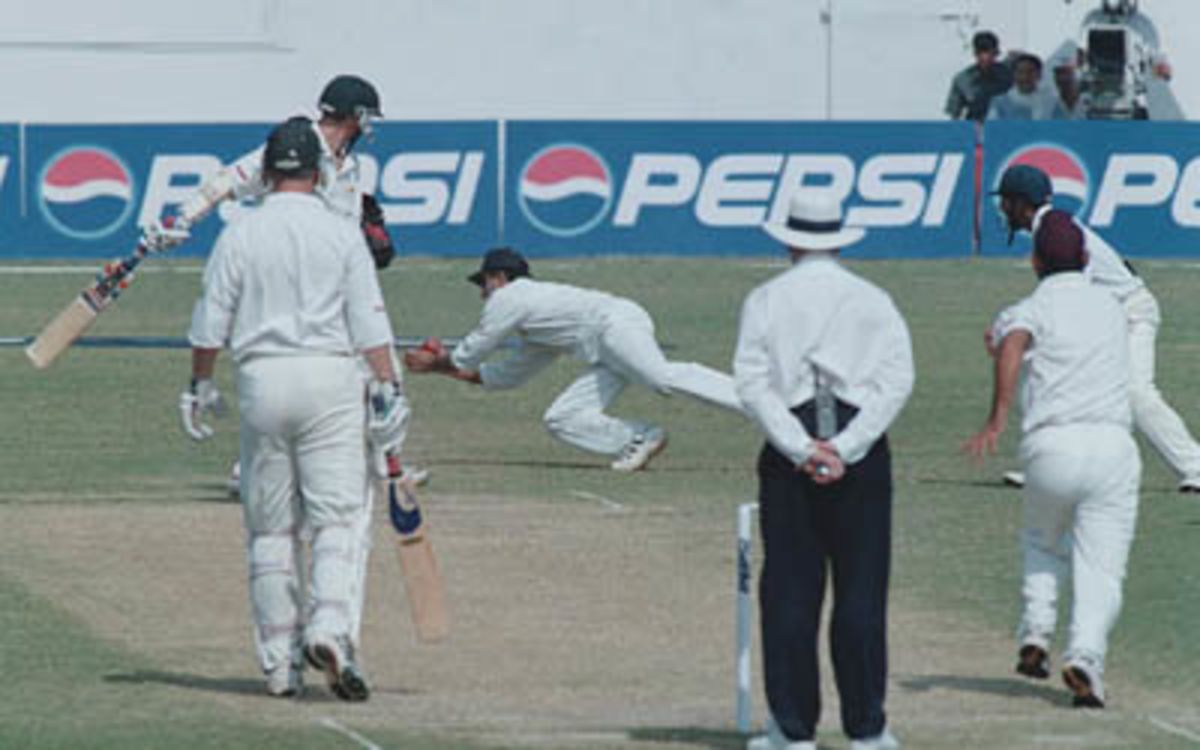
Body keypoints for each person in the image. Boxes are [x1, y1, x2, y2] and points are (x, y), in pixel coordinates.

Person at [181, 118, 410, 700]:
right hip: (331, 380)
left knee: (269, 529)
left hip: (262, 380)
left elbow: (211, 325)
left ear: (266, 172)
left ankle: (279, 663)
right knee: (335, 519)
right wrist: (388, 389)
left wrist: (199, 386)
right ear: (317, 170)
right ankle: (331, 627)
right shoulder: (341, 233)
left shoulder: (240, 234)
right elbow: (370, 324)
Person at [736, 194, 913, 750]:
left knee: (790, 591)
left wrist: (800, 447)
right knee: (861, 592)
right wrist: (848, 445)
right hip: (859, 452)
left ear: (790, 238)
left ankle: (792, 729)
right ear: (837, 239)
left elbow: (752, 383)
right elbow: (896, 381)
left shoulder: (766, 298)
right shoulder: (873, 299)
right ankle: (868, 728)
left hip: (794, 450)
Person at [966, 210, 1140, 708]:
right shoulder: (1110, 303)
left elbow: (1006, 342)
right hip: (1111, 447)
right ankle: (1085, 657)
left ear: (1035, 259)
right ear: (1085, 257)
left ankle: (1037, 633)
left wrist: (998, 415)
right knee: (1101, 568)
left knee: (1043, 543)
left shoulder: (1028, 307)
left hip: (1051, 448)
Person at [402, 247, 744, 472]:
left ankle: (755, 399)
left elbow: (471, 352)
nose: (482, 292)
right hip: (604, 349)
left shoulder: (510, 296)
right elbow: (503, 376)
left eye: (485, 283)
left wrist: (437, 359)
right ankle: (638, 437)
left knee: (660, 378)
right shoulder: (538, 328)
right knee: (562, 418)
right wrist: (442, 369)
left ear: (501, 278)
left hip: (616, 325)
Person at [993, 164, 1200, 493]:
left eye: (1005, 200)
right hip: (1109, 314)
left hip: (1132, 313)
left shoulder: (1053, 230)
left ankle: (1195, 465)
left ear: (1021, 202)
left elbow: (1073, 289)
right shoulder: (1047, 227)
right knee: (1059, 377)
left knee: (1134, 391)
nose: (1002, 208)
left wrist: (1024, 328)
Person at [945, 30, 1013, 121]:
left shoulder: (1010, 74)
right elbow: (954, 113)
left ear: (996, 52)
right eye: (981, 51)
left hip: (1006, 125)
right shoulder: (963, 79)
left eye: (989, 51)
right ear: (975, 53)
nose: (985, 56)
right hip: (976, 126)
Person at [987, 53, 1059, 120]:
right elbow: (993, 129)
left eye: (1030, 72)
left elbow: (1062, 128)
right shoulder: (1000, 103)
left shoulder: (1051, 101)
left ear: (1039, 74)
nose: (1025, 77)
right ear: (1013, 75)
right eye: (1020, 72)